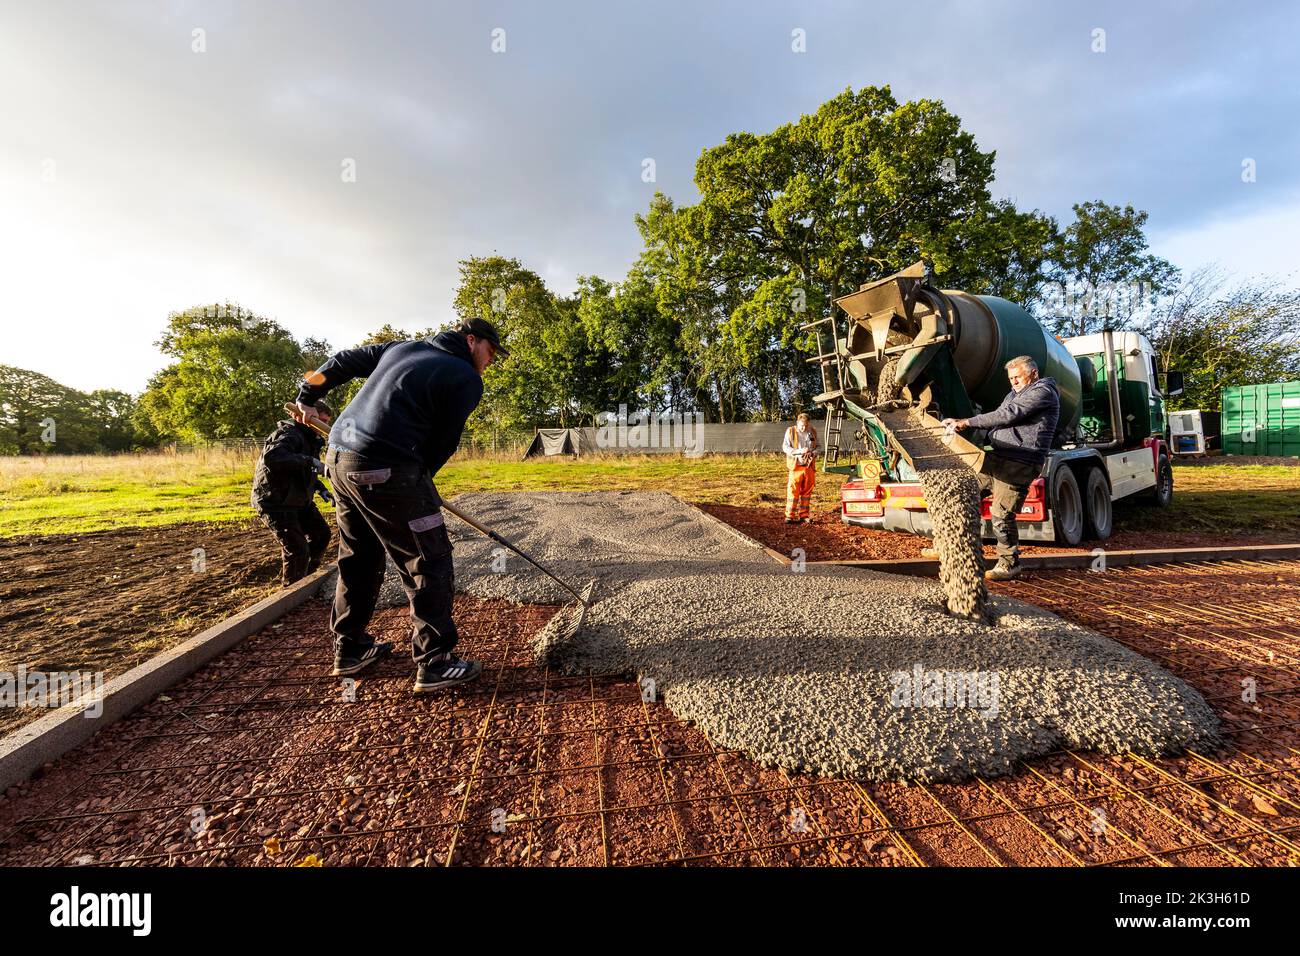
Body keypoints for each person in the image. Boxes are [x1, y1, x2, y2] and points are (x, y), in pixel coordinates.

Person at [293, 317, 508, 689]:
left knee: (359, 555)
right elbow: (444, 442)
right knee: (429, 558)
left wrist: (306, 397)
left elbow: (342, 360)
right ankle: (435, 661)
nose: (490, 361)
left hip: (339, 461)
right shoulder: (465, 377)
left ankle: (350, 648)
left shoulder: (401, 348)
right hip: (387, 467)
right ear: (472, 340)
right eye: (491, 352)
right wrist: (421, 485)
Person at [942, 355, 1060, 581]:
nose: (1013, 382)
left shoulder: (1042, 392)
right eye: (1010, 378)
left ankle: (1009, 564)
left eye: (1017, 377)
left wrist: (966, 422)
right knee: (962, 491)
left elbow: (1006, 415)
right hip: (998, 458)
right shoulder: (1014, 393)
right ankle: (954, 547)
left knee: (1001, 515)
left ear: (1033, 373)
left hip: (1019, 462)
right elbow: (998, 418)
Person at [251, 400, 335, 587]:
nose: (325, 426)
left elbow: (302, 470)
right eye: (322, 420)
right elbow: (273, 458)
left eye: (327, 421)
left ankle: (309, 580)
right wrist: (310, 461)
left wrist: (321, 489)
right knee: (297, 550)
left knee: (321, 535)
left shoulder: (310, 438)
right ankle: (292, 590)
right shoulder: (288, 434)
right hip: (276, 501)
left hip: (298, 500)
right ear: (307, 417)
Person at [782, 412, 819, 524]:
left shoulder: (812, 431)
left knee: (807, 492)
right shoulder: (791, 431)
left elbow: (819, 446)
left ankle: (804, 515)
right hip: (796, 466)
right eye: (802, 425)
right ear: (797, 423)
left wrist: (813, 453)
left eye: (806, 425)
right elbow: (785, 447)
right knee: (793, 491)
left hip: (808, 466)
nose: (804, 428)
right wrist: (799, 451)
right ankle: (790, 516)